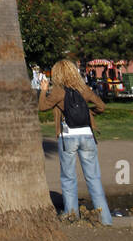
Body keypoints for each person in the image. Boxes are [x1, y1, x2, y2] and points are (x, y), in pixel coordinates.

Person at [39, 58, 112, 224]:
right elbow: (102, 106)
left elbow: (42, 107)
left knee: (68, 178)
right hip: (87, 136)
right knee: (94, 179)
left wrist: (44, 90)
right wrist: (89, 113)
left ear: (57, 74)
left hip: (68, 137)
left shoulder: (58, 91)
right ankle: (106, 219)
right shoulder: (84, 89)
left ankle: (72, 216)